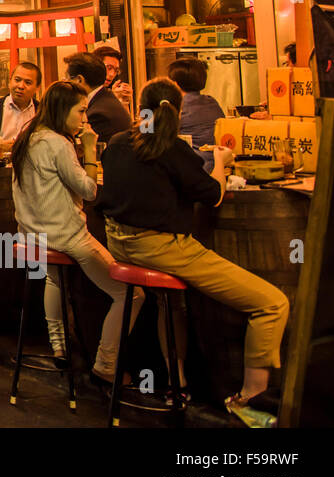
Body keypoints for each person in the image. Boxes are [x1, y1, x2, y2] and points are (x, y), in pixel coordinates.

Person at [98, 78, 288, 427]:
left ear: (140, 107)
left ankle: (177, 381)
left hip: (118, 243)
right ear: (178, 110)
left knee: (172, 303)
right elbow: (212, 194)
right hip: (160, 249)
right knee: (272, 303)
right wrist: (221, 159)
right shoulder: (171, 147)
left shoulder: (117, 142)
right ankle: (249, 399)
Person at [11, 80, 145, 388]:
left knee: (53, 276)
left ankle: (60, 348)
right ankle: (106, 365)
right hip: (65, 237)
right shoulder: (59, 144)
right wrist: (88, 149)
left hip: (31, 236)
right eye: (80, 111)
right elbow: (89, 189)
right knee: (131, 294)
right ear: (63, 111)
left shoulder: (26, 137)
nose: (84, 119)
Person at [65, 51, 131, 143]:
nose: (66, 84)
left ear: (79, 80)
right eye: (109, 68)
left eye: (68, 79)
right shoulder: (104, 99)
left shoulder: (98, 114)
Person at [0, 61, 41, 141]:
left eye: (28, 82)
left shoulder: (42, 111)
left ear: (37, 87)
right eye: (17, 80)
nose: (21, 86)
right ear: (10, 81)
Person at [168, 57, 225, 148]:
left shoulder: (179, 108)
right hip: (217, 159)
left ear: (175, 84)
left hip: (194, 160)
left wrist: (145, 107)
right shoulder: (211, 101)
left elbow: (149, 134)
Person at [93, 44, 134, 113]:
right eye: (109, 68)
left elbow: (126, 123)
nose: (112, 74)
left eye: (116, 70)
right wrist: (113, 99)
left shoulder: (107, 92)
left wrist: (124, 101)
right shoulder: (84, 93)